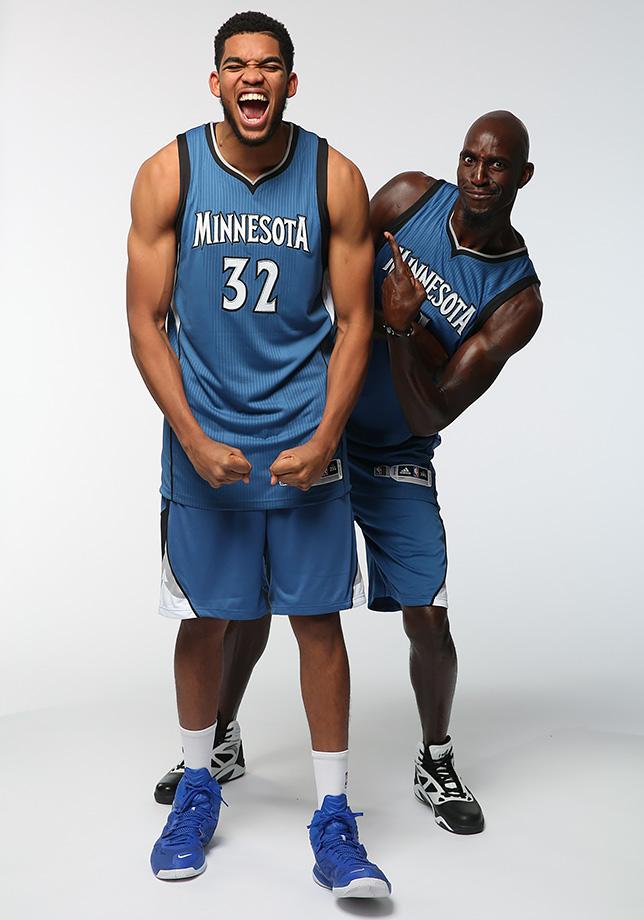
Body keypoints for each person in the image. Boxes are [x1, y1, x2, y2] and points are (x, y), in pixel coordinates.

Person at [153, 111, 542, 837]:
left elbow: (432, 410)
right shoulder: (408, 198)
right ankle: (219, 740)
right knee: (253, 595)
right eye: (470, 159)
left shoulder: (517, 300)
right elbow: (319, 276)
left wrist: (401, 328)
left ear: (522, 176)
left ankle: (435, 757)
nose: (479, 176)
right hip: (310, 429)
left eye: (496, 166)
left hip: (395, 452)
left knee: (428, 612)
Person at [127, 10, 391, 897]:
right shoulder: (169, 174)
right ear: (216, 82)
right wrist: (192, 437)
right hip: (204, 442)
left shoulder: (332, 176)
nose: (253, 78)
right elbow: (144, 321)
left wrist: (325, 438)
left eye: (269, 66)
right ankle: (197, 786)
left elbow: (357, 324)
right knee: (206, 619)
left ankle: (334, 816)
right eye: (237, 65)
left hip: (305, 439)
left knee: (317, 622)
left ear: (289, 82)